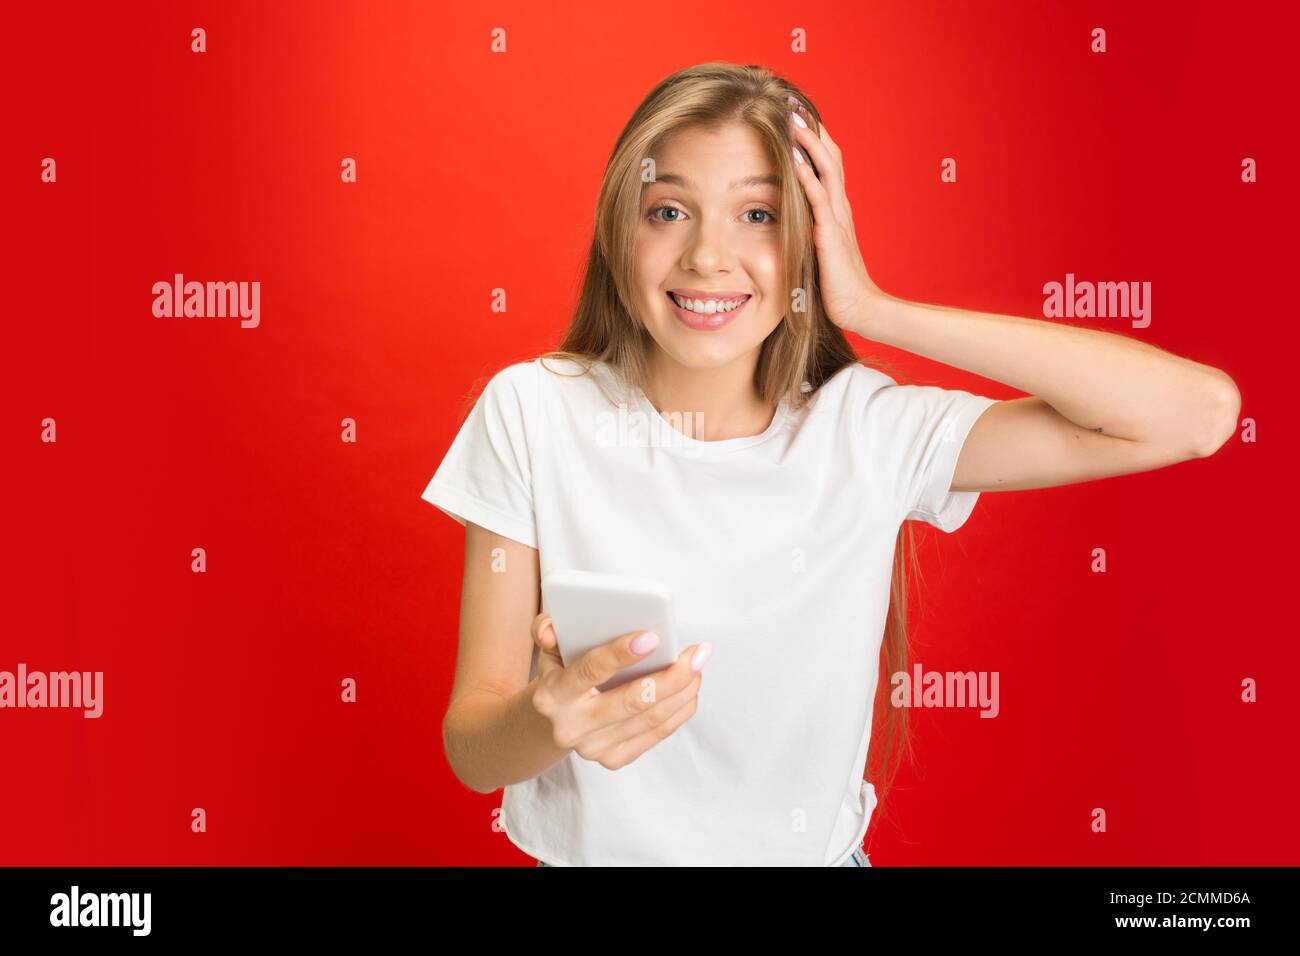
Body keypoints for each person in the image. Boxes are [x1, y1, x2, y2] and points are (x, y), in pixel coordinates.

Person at [421, 62, 1240, 866]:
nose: (708, 256)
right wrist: (549, 716)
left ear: (815, 239)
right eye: (669, 209)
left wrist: (873, 308)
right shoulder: (533, 410)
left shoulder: (869, 429)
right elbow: (474, 746)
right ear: (617, 231)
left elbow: (1196, 417)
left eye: (759, 216)